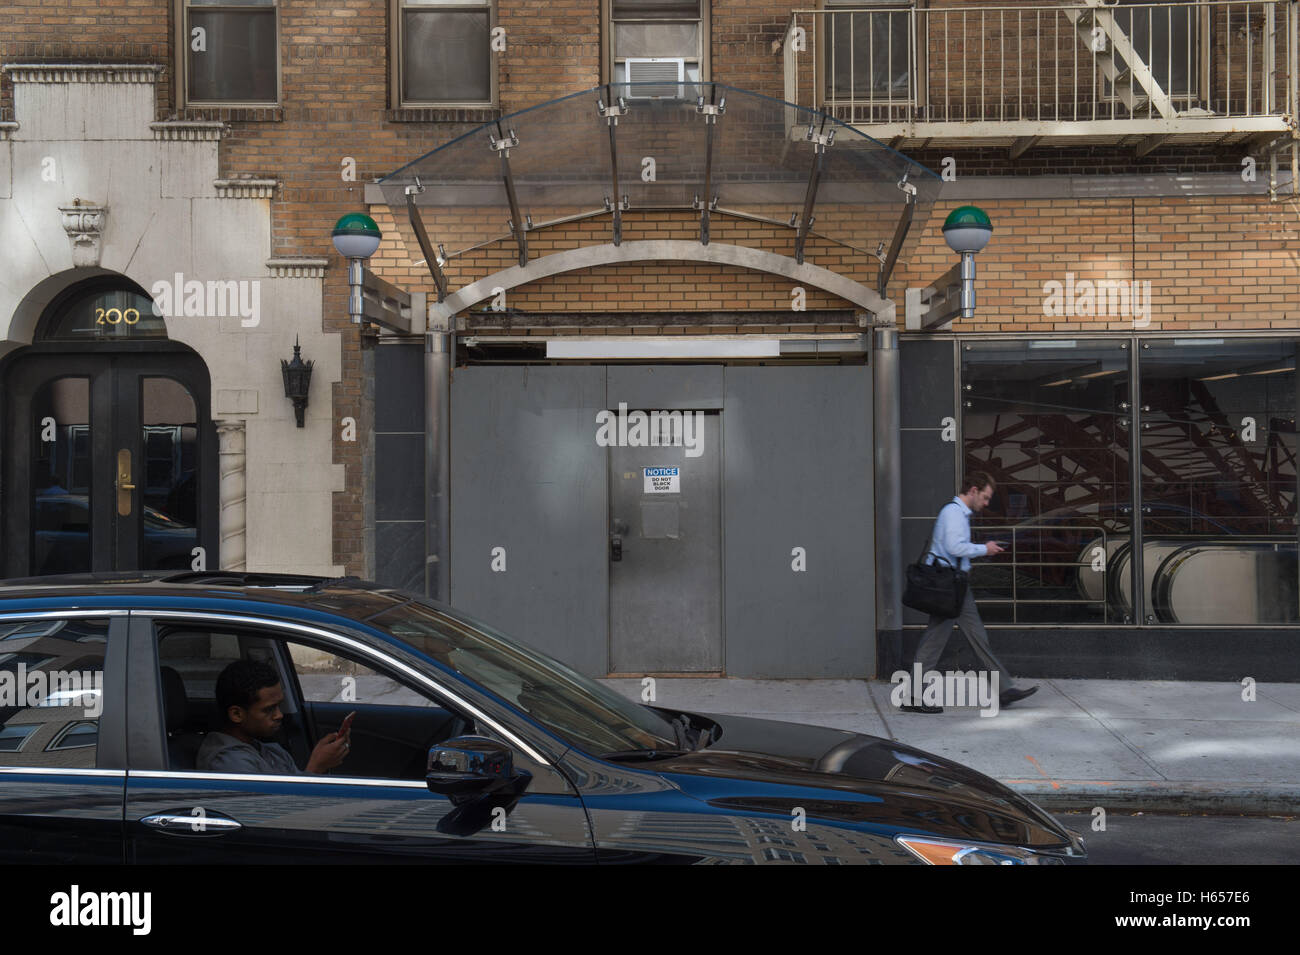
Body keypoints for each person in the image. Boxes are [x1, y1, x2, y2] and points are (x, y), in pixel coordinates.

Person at [903, 471, 1039, 714]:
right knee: (934, 642)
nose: (986, 503)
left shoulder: (957, 514)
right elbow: (955, 547)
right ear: (973, 491)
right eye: (985, 497)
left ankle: (1005, 690)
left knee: (977, 637)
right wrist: (983, 549)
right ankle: (914, 696)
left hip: (956, 587)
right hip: (948, 588)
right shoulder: (953, 513)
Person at [195, 659, 351, 774]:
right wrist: (317, 766)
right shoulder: (228, 762)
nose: (279, 715)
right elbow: (275, 815)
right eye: (268, 709)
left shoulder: (271, 751)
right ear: (237, 714)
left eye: (279, 706)